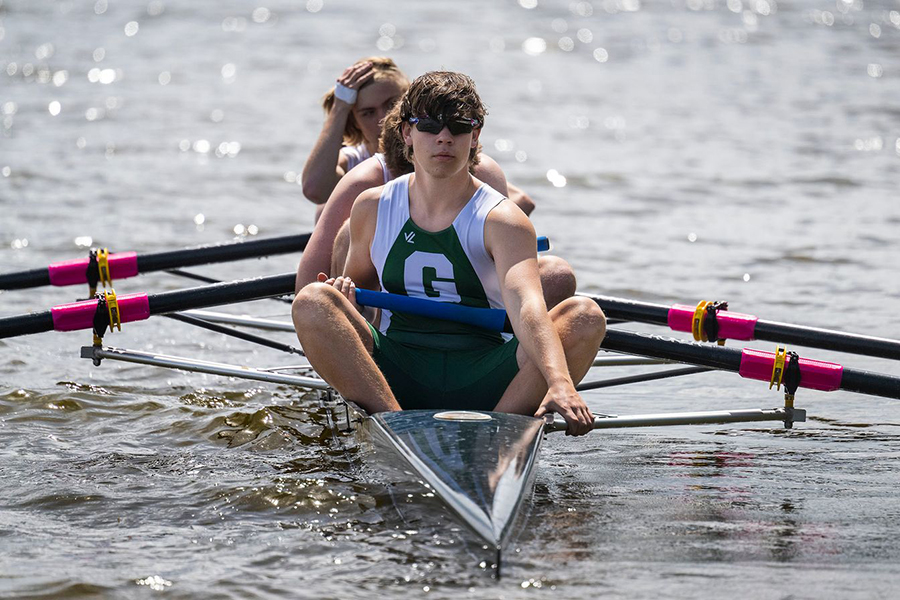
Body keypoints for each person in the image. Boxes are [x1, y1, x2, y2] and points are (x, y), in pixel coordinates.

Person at [292, 71, 606, 436]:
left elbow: (527, 306)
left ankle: (501, 431)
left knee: (585, 316)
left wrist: (560, 380)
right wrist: (344, 300)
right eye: (428, 125)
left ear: (474, 137)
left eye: (458, 127)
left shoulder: (503, 219)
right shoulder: (373, 207)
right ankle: (395, 425)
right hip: (398, 368)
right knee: (313, 301)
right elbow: (362, 305)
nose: (443, 137)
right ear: (407, 134)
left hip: (485, 372)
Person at [300, 57, 535, 216]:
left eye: (392, 104)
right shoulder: (351, 163)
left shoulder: (440, 155)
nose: (384, 118)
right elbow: (314, 190)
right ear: (354, 121)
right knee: (324, 210)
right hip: (365, 276)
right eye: (368, 112)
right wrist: (340, 107)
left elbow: (522, 201)